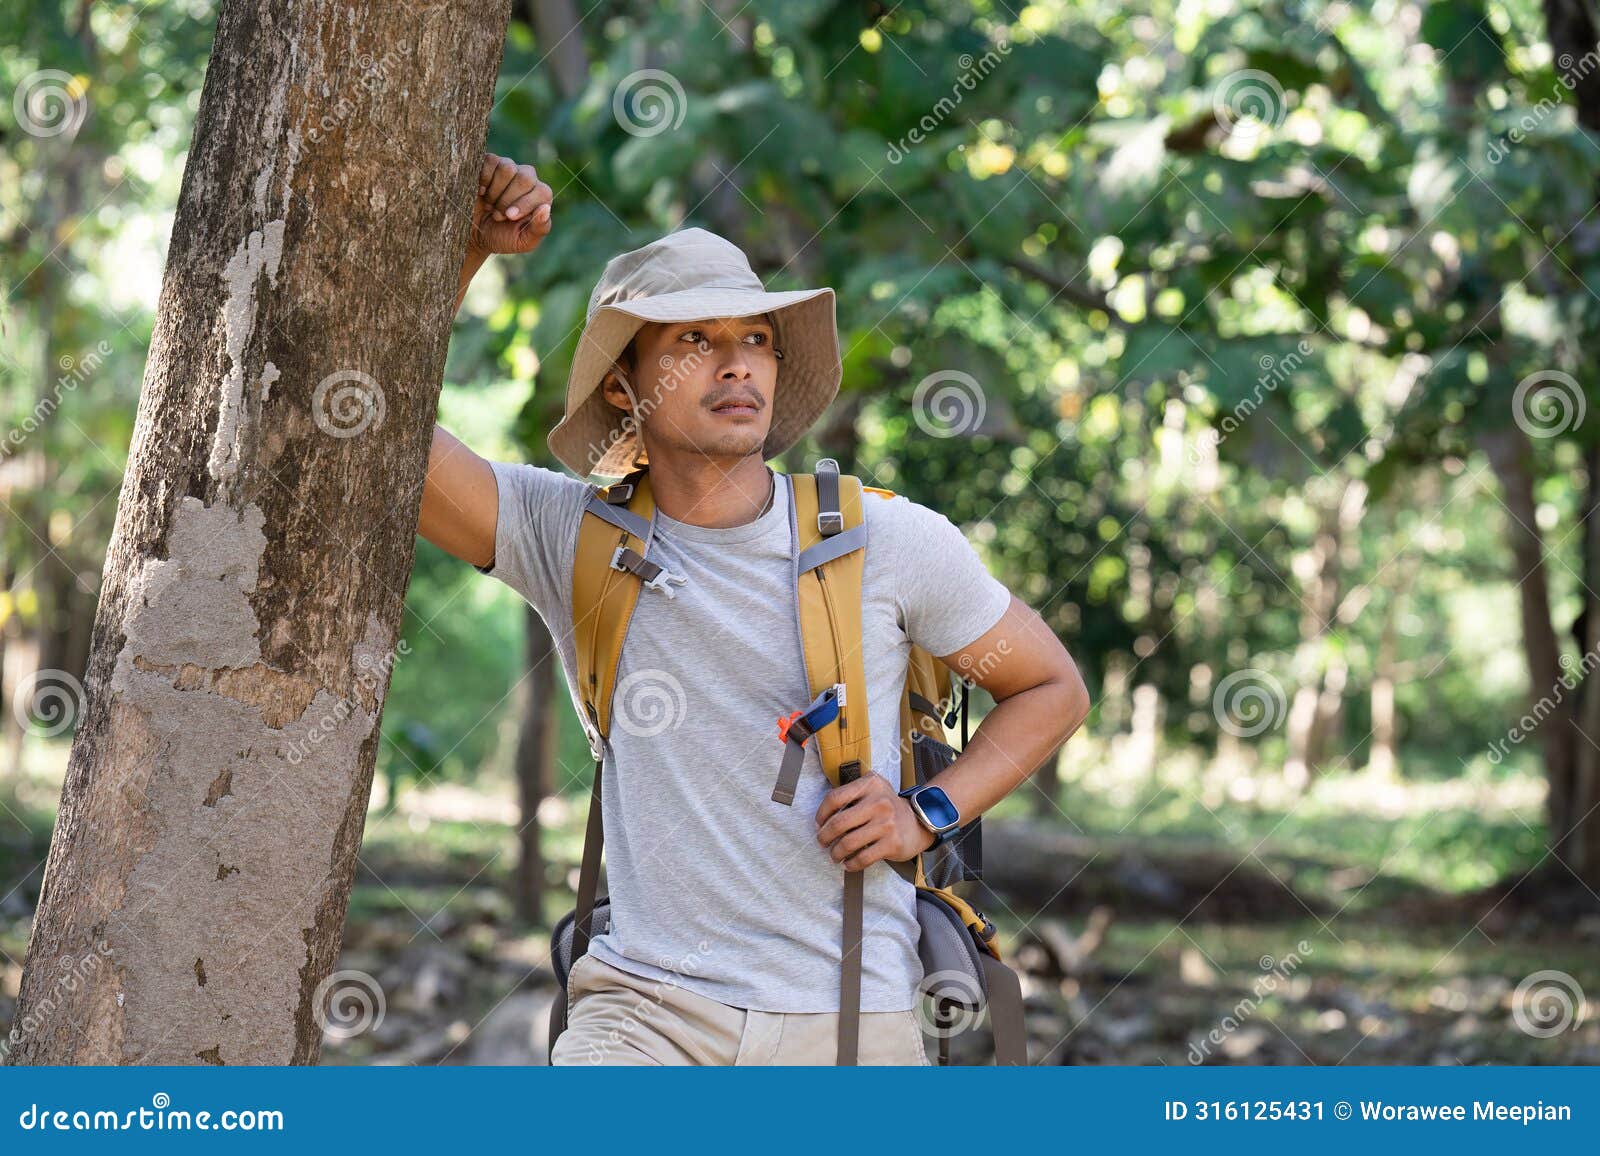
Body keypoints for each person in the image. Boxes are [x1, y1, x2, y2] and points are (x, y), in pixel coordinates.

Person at [418, 151, 1090, 1065]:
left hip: (851, 1022)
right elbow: (390, 438)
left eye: (758, 339)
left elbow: (1051, 687)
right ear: (623, 386)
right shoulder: (567, 534)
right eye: (695, 339)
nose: (737, 364)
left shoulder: (889, 541)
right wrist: (465, 253)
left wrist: (925, 811)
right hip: (642, 1014)